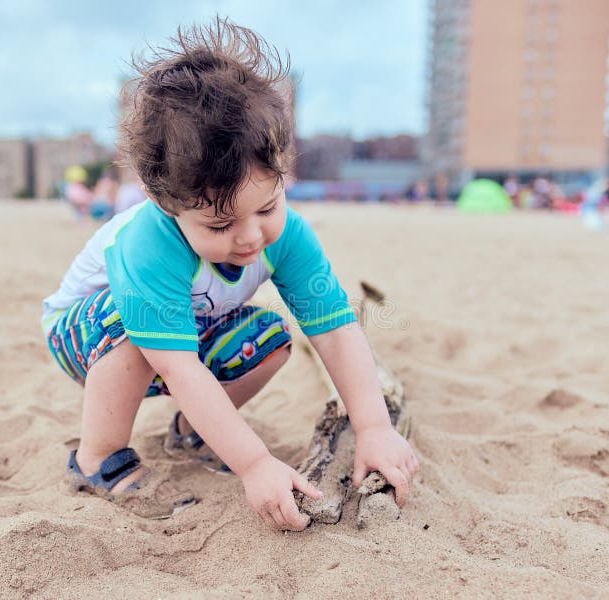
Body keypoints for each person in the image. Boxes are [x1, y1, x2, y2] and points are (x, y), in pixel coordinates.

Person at [41, 18, 418, 529]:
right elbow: (179, 368)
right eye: (220, 223)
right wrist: (255, 463)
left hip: (186, 333)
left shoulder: (288, 235)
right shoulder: (146, 245)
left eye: (267, 207)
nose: (249, 237)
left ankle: (192, 432)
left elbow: (334, 328)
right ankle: (97, 460)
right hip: (88, 340)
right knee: (130, 325)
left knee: (272, 337)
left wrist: (373, 426)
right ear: (165, 203)